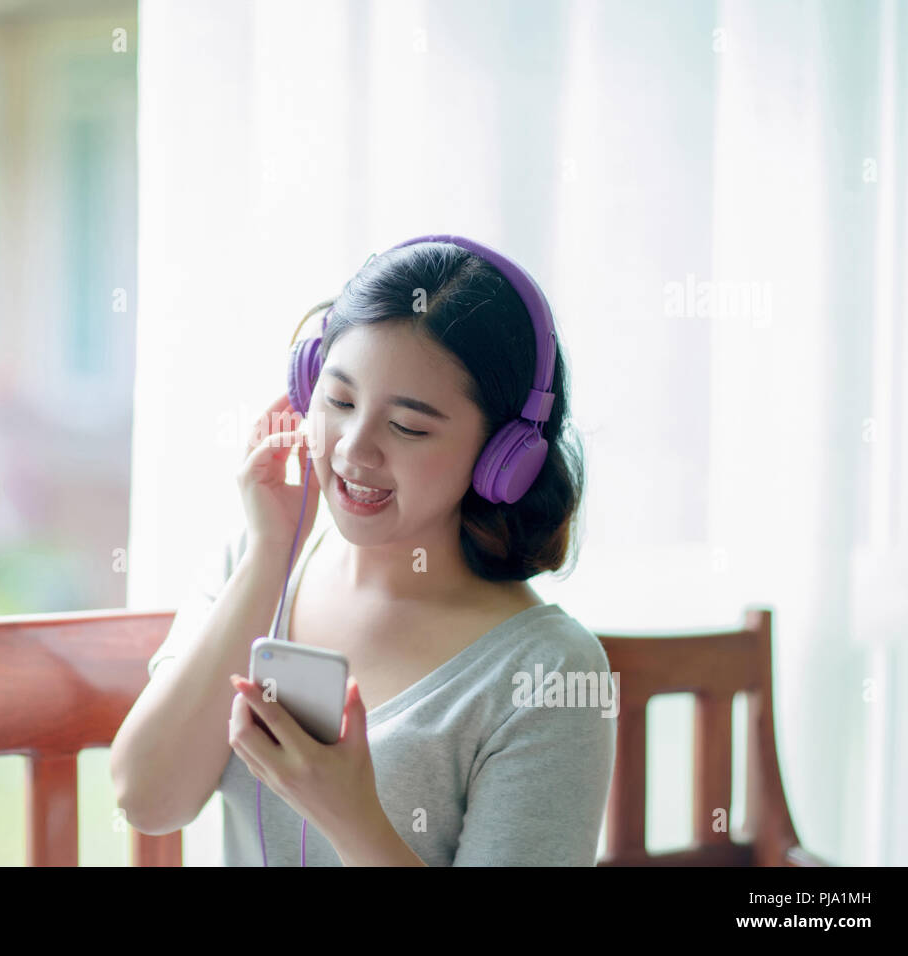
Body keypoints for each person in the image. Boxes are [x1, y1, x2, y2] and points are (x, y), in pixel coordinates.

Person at [110, 240, 617, 865]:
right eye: (340, 401)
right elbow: (147, 800)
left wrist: (349, 816)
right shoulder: (252, 558)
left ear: (502, 458)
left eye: (407, 426)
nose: (353, 451)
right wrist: (271, 554)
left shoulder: (552, 671)